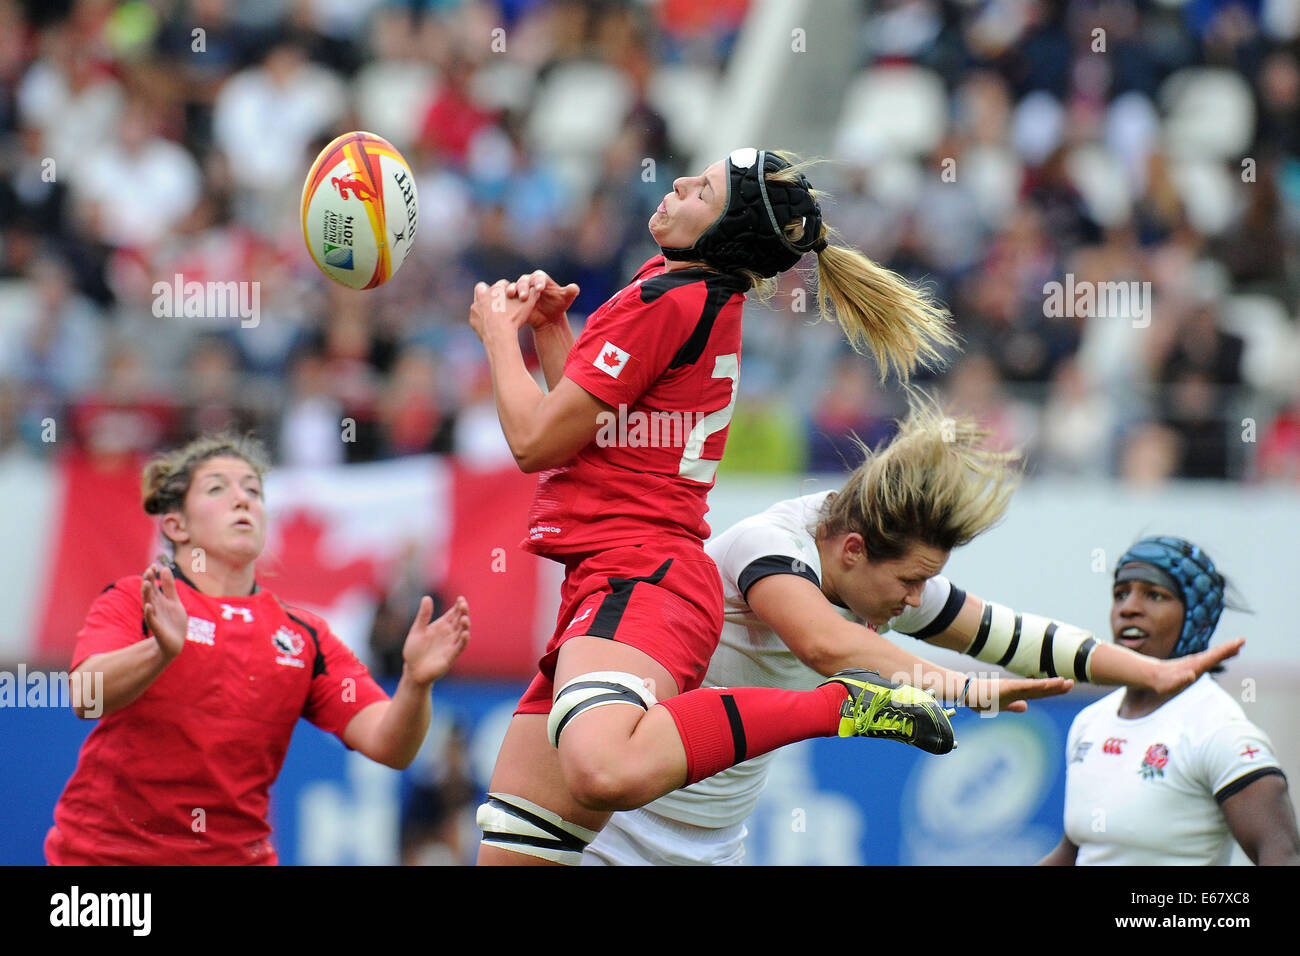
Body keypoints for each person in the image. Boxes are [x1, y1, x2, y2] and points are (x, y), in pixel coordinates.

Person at [467, 147, 976, 866]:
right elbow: (597, 433)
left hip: (640, 579)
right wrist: (552, 333)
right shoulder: (688, 293)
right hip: (616, 580)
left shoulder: (669, 301)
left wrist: (497, 334)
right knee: (514, 855)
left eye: (701, 187)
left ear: (723, 231)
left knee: (603, 768)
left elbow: (533, 442)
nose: (677, 184)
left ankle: (836, 707)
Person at [585, 405, 1247, 865]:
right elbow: (826, 645)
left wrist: (1150, 672)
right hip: (618, 829)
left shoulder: (877, 562)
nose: (913, 599)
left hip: (715, 839)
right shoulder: (771, 546)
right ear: (849, 551)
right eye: (909, 583)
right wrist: (963, 689)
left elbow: (1010, 635)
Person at [44, 434, 471, 865]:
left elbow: (391, 746)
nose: (242, 500)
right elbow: (85, 695)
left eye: (253, 490)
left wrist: (416, 683)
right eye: (217, 488)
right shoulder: (139, 598)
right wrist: (159, 652)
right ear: (176, 525)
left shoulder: (304, 636)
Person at [1039, 537, 1300, 866]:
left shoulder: (1219, 730)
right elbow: (1076, 851)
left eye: (1154, 595)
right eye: (1121, 593)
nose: (1128, 608)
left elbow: (1281, 855)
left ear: (1196, 619)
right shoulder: (1090, 721)